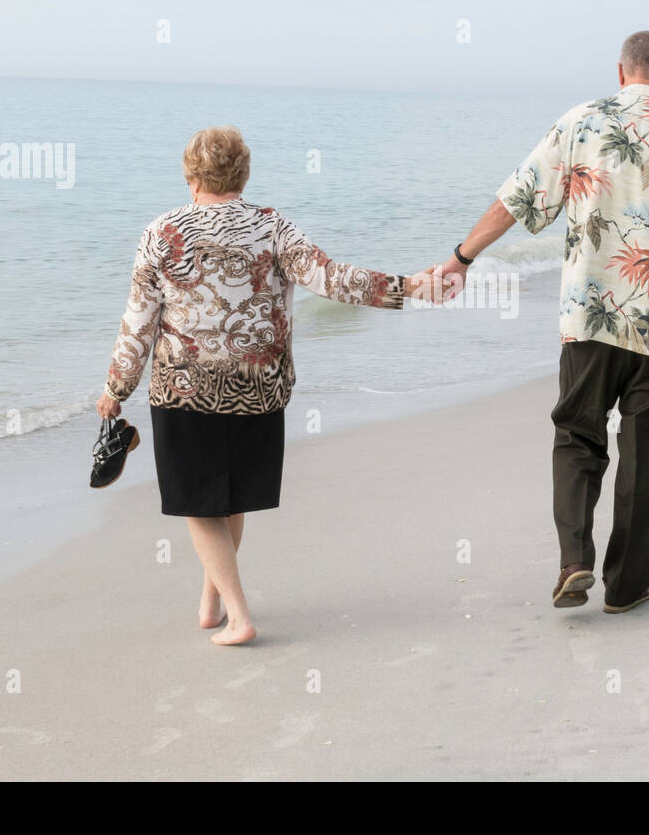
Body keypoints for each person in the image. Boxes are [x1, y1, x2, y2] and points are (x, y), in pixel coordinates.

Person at [434, 31, 649, 613]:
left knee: (578, 435)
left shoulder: (581, 121)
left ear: (621, 71)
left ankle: (574, 560)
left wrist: (461, 257)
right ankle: (627, 587)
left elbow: (519, 198)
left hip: (591, 318)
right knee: (648, 452)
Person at [97, 126, 438, 645]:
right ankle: (212, 601)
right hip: (259, 388)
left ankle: (239, 616)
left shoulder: (161, 232)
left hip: (185, 391)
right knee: (229, 498)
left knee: (198, 503)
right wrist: (405, 287)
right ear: (243, 174)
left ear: (191, 178)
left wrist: (116, 389)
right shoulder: (271, 226)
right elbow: (331, 278)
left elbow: (139, 320)